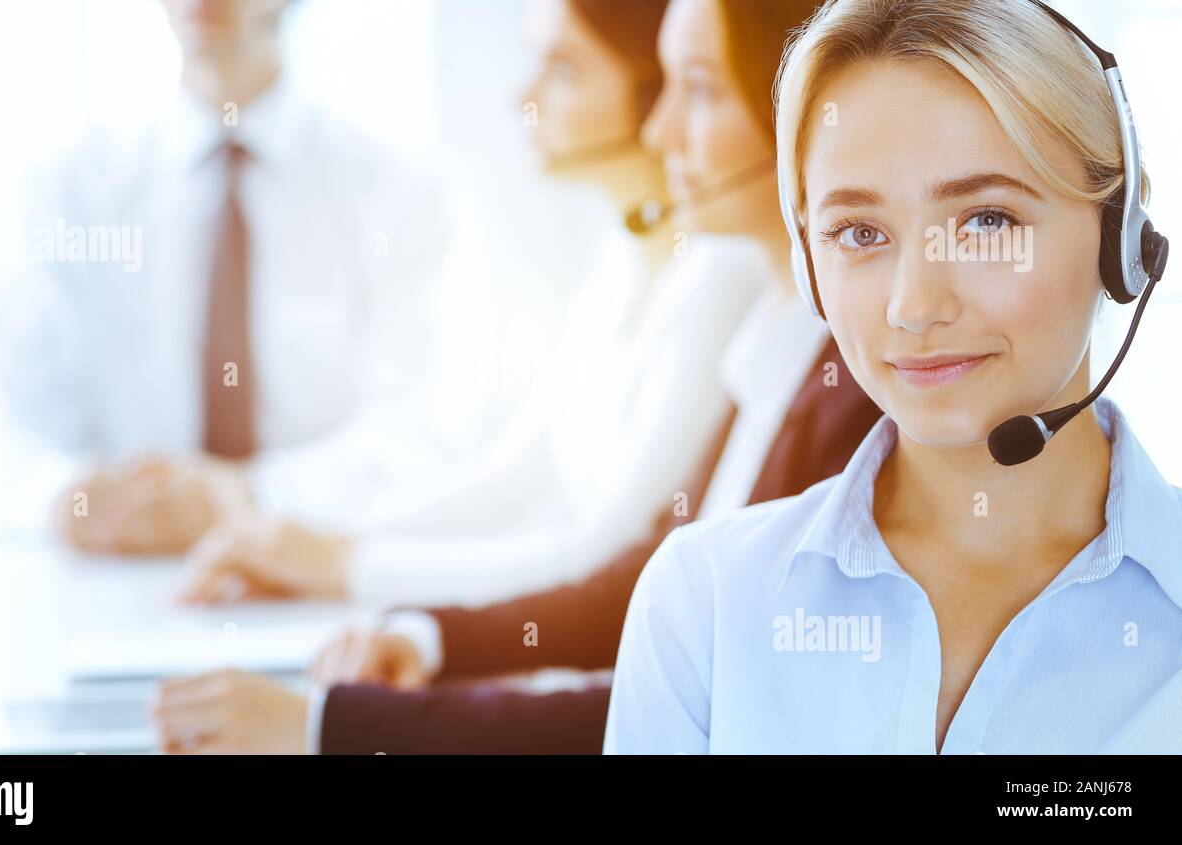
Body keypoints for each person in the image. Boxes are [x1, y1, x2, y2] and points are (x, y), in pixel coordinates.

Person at [150, 0, 876, 756]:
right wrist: (426, 632)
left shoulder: (819, 362)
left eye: (695, 88)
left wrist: (335, 723)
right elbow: (653, 581)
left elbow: (696, 693)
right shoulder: (764, 336)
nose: (659, 130)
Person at [606, 0, 1178, 754]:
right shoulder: (702, 604)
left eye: (987, 221)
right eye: (860, 232)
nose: (915, 306)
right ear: (812, 266)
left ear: (1120, 237)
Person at [167, 0, 768, 610]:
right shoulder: (622, 258)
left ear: (652, 90)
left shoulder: (722, 277)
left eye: (562, 70)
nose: (523, 99)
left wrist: (346, 567)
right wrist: (313, 548)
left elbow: (608, 553)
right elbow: (516, 479)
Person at [0, 0, 451, 548]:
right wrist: (65, 496)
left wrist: (251, 496)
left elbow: (426, 424)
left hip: (324, 577)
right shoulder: (66, 194)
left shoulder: (395, 188)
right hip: (106, 589)